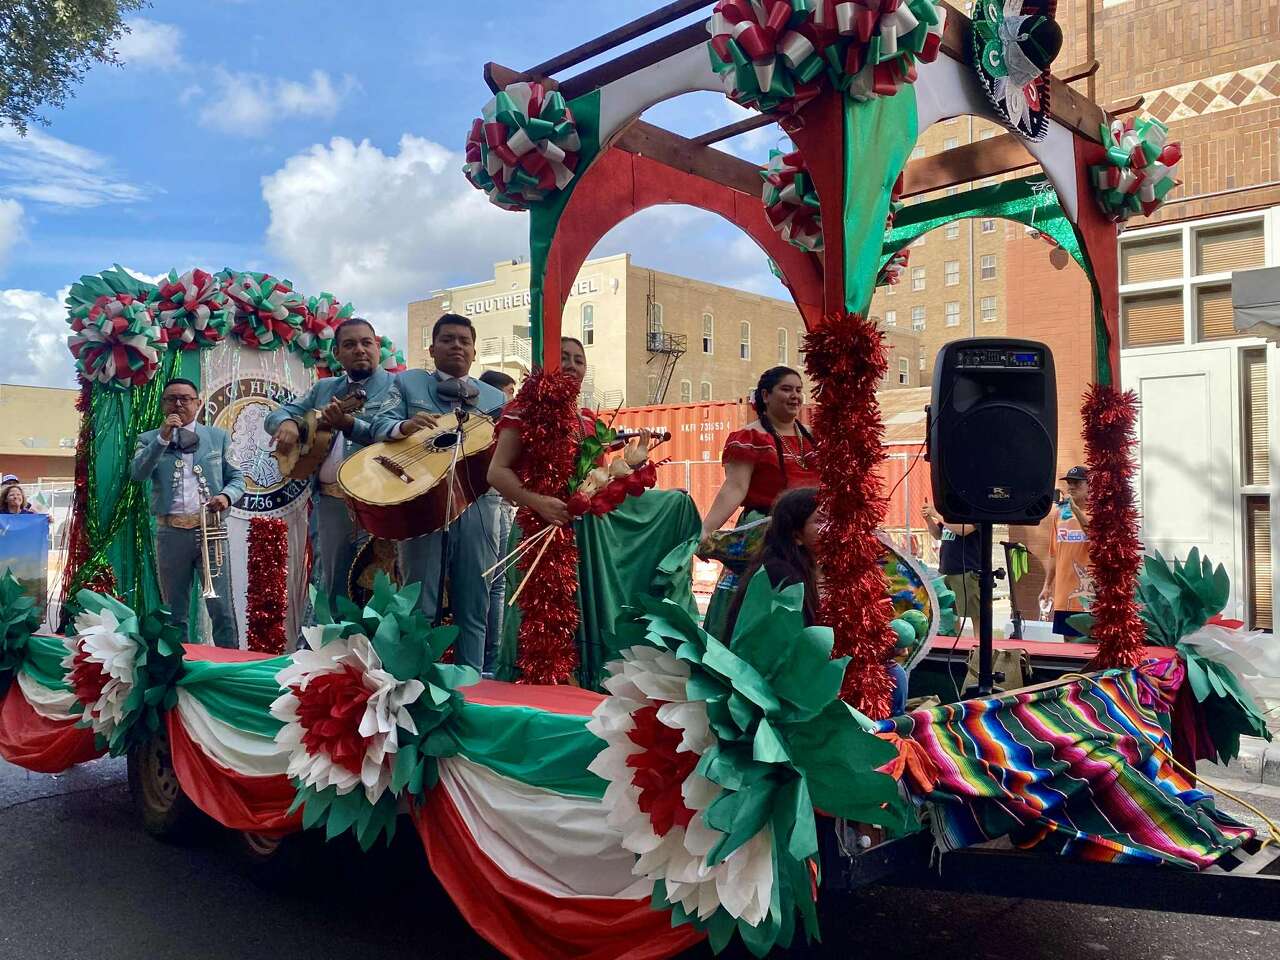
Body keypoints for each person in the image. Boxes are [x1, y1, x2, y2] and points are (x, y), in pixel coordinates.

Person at [487, 337, 701, 688]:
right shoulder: (524, 410)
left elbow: (597, 483)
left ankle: (583, 687)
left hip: (586, 536)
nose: (572, 365)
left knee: (580, 613)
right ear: (545, 364)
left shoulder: (587, 421)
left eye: (579, 360)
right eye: (564, 358)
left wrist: (635, 465)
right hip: (539, 528)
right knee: (541, 624)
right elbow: (497, 472)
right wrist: (538, 502)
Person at [370, 314, 507, 672]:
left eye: (464, 340)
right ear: (432, 349)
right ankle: (415, 688)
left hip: (478, 503)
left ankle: (471, 687)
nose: (457, 345)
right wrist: (404, 426)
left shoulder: (494, 397)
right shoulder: (408, 384)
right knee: (419, 603)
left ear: (475, 351)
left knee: (474, 602)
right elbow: (378, 424)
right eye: (448, 339)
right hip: (421, 504)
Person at [723, 487, 908, 714]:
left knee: (894, 675)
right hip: (788, 682)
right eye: (821, 521)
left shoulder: (838, 572)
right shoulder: (780, 576)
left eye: (835, 519)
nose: (833, 528)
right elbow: (793, 649)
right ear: (796, 535)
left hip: (823, 667)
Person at [264, 317, 402, 603]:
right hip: (330, 504)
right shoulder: (324, 389)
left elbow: (399, 436)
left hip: (377, 501)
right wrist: (287, 423)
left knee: (376, 585)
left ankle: (372, 648)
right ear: (337, 354)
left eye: (367, 343)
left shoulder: (398, 387)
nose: (360, 350)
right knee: (330, 583)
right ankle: (331, 647)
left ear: (377, 348)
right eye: (350, 345)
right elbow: (276, 415)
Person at [698, 366, 818, 639]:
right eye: (786, 389)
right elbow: (735, 487)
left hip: (812, 534)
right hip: (765, 533)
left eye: (799, 390)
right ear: (765, 395)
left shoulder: (816, 437)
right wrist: (706, 531)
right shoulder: (750, 438)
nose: (795, 396)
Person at [130, 378, 245, 648]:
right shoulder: (147, 439)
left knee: (221, 608)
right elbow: (138, 473)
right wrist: (162, 438)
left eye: (185, 398)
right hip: (170, 532)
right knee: (174, 610)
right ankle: (178, 667)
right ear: (163, 405)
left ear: (198, 403)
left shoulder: (218, 437)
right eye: (171, 399)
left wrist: (226, 496)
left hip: (211, 531)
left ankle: (231, 665)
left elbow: (238, 478)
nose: (178, 404)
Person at [478, 369, 518, 676]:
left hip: (504, 505)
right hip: (488, 504)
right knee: (493, 585)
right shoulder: (486, 423)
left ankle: (492, 662)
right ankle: (489, 663)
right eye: (509, 391)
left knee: (498, 584)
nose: (513, 398)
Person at [1038, 465, 1092, 638]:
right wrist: (1047, 586)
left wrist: (1075, 508)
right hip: (1063, 596)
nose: (1071, 486)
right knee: (1067, 647)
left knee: (1087, 647)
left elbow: (1094, 534)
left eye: (1077, 483)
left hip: (1088, 597)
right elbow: (1054, 554)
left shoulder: (1099, 514)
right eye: (1069, 482)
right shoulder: (1060, 515)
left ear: (1090, 485)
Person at [921, 501, 981, 639]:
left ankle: (979, 648)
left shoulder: (975, 510)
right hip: (946, 570)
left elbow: (963, 530)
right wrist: (928, 519)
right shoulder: (951, 513)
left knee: (976, 614)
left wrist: (936, 514)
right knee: (951, 614)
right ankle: (955, 645)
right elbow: (938, 534)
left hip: (966, 569)